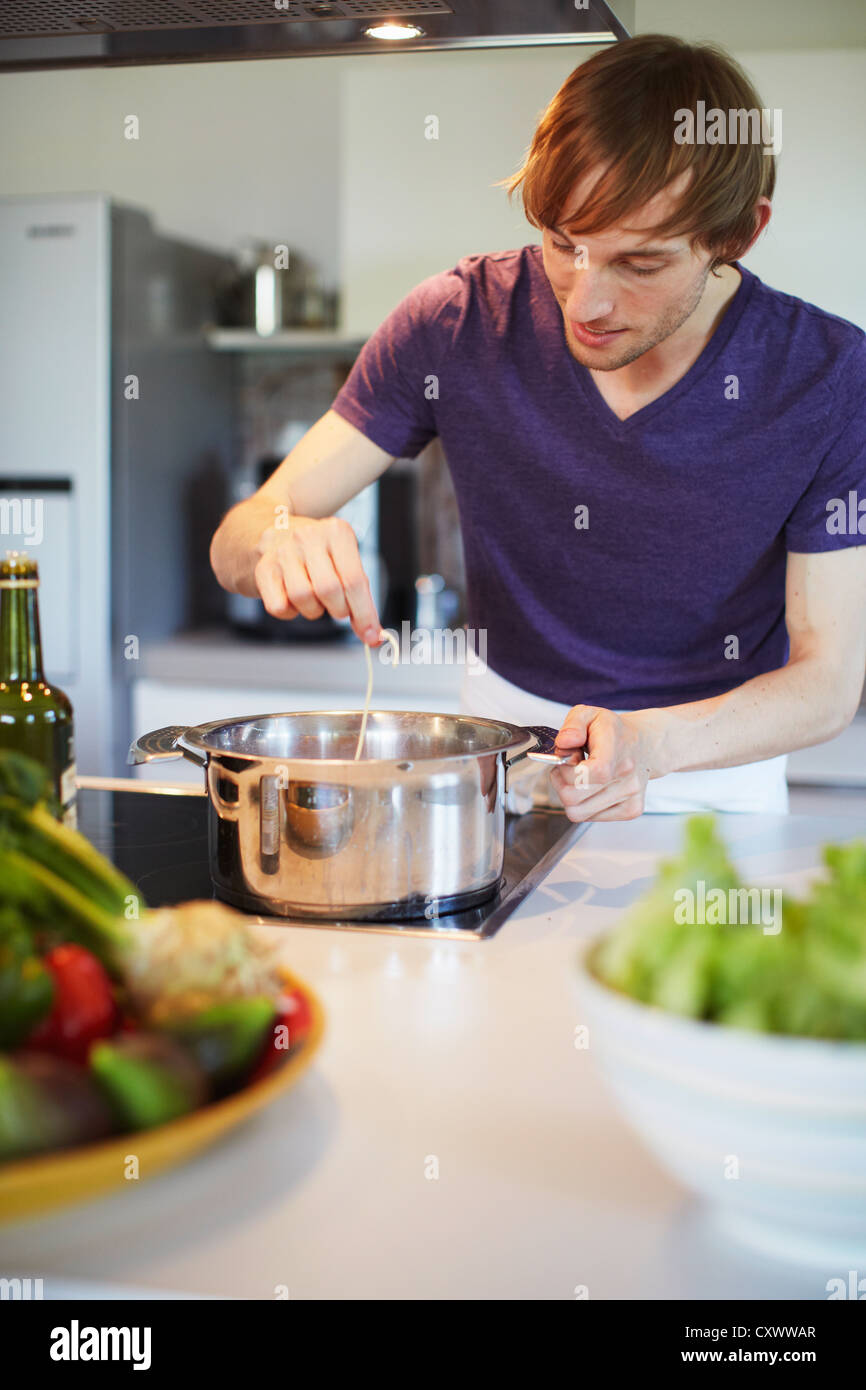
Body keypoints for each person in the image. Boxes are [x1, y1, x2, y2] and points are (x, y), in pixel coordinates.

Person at [210, 34, 866, 823]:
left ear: (737, 236)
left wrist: (653, 746)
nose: (584, 303)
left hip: (711, 771)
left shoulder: (827, 376)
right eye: (564, 243)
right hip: (497, 760)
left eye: (641, 264)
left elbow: (829, 682)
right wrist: (279, 539)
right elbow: (238, 538)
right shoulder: (454, 322)